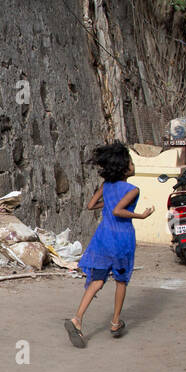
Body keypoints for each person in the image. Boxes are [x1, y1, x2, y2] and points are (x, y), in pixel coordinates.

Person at [65, 141, 153, 346]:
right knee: (121, 281)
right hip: (121, 238)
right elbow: (118, 211)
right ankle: (115, 322)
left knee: (97, 280)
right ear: (124, 168)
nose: (133, 165)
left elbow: (90, 205)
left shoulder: (106, 186)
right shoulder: (133, 189)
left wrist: (110, 202)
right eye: (130, 162)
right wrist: (141, 215)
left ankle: (77, 319)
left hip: (102, 237)